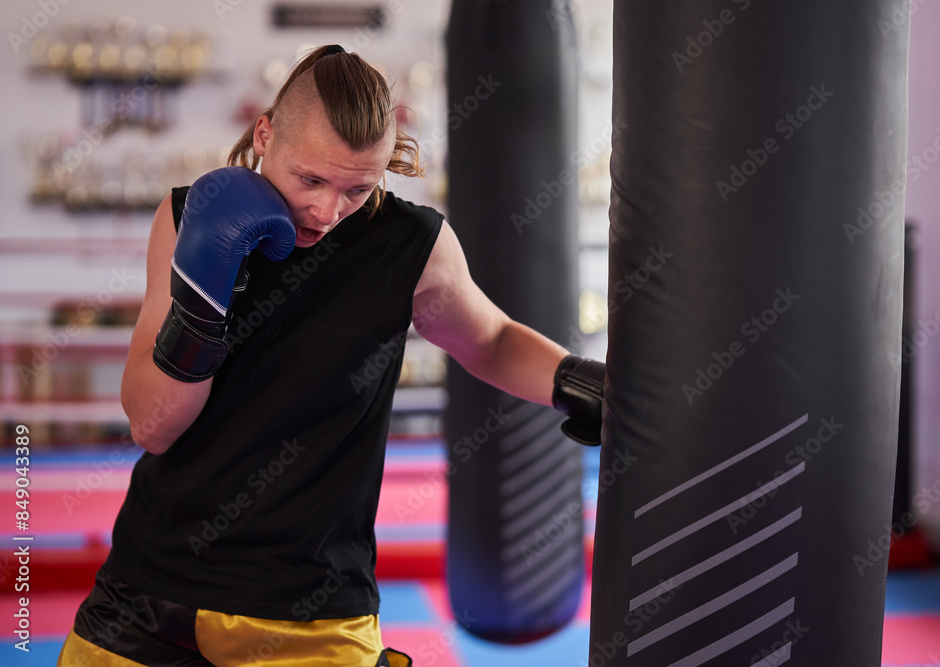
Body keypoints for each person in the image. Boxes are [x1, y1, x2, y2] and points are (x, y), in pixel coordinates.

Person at [58, 45, 604, 666]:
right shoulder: (188, 219)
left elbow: (489, 338)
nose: (327, 210)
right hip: (148, 588)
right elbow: (153, 426)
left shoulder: (409, 243)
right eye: (310, 179)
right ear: (264, 135)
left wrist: (574, 379)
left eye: (357, 187)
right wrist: (205, 295)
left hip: (314, 605)